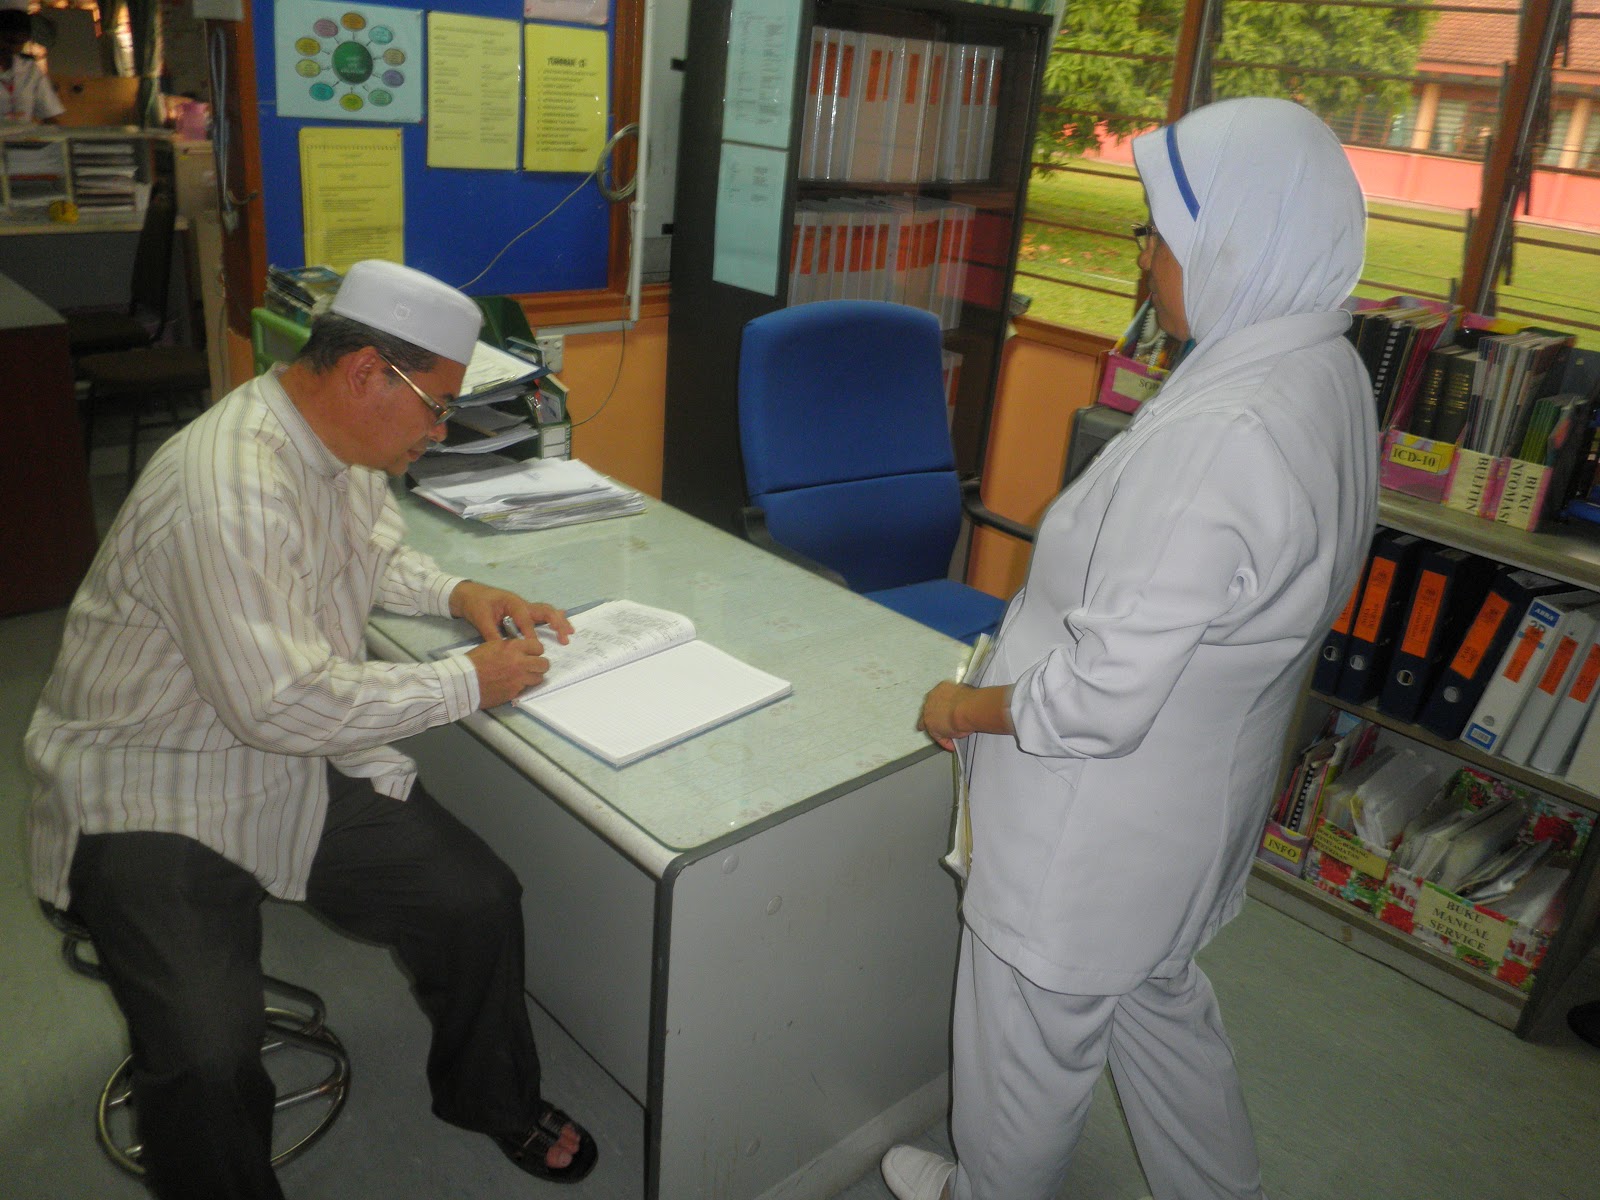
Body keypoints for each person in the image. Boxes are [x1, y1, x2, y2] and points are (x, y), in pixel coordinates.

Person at [881, 98, 1377, 1200]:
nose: (1145, 255)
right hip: (1190, 815)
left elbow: (1099, 697)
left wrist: (965, 710)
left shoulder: (1222, 434)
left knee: (1026, 1061)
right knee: (1157, 1001)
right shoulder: (1321, 369)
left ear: (1237, 241)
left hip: (1086, 832)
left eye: (1161, 233)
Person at [28, 260, 599, 1197]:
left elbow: (369, 552)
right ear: (369, 371)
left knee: (476, 900)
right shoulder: (227, 488)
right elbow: (280, 704)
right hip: (148, 784)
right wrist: (467, 680)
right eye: (437, 405)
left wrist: (460, 592)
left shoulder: (335, 446)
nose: (441, 429)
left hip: (282, 760)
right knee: (207, 1057)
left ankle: (490, 1097)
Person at [0, 9, 64, 124]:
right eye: (9, 41)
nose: (14, 48)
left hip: (22, 134)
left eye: (20, 43)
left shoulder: (30, 69)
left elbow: (49, 114)